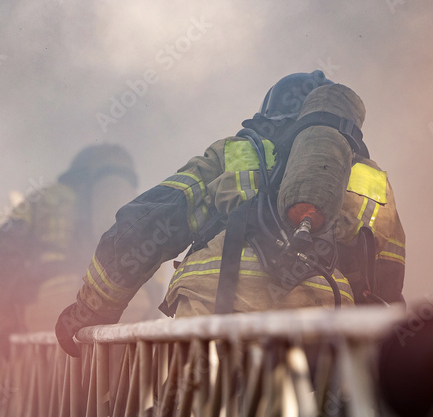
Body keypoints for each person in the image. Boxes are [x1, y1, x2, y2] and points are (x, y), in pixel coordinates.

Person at [56, 71, 406, 357]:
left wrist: (93, 309)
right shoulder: (369, 179)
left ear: (267, 116)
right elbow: (383, 285)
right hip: (318, 335)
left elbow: (148, 226)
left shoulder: (235, 154)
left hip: (214, 319)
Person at [0, 143, 156, 337]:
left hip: (52, 309)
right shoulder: (136, 210)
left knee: (61, 364)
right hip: (129, 306)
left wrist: (7, 323)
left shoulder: (46, 199)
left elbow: (1, 254)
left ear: (75, 175)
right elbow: (151, 266)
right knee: (120, 365)